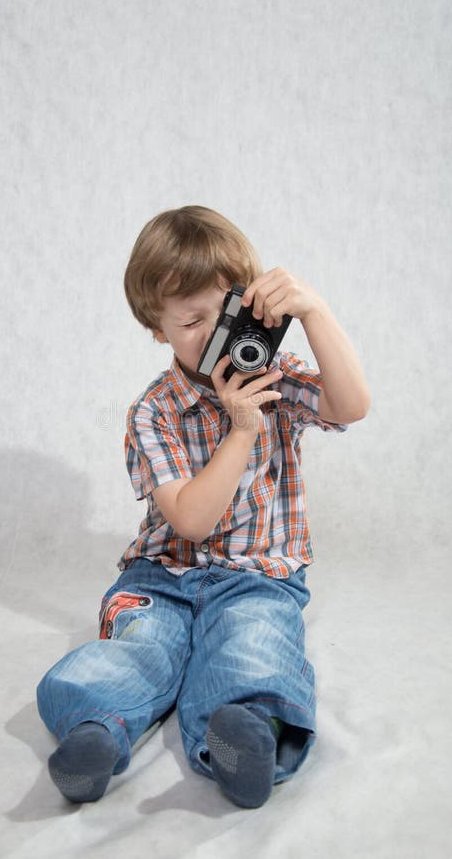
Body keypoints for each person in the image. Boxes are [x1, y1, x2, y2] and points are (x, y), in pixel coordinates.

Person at [36, 205, 370, 809]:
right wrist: (241, 431)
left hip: (256, 576)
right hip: (161, 575)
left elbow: (350, 405)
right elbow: (190, 520)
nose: (216, 334)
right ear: (157, 328)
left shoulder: (272, 374)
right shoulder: (154, 411)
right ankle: (93, 733)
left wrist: (314, 311)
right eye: (192, 320)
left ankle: (246, 734)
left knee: (254, 642)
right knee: (140, 646)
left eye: (227, 312)